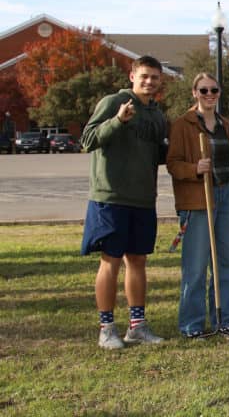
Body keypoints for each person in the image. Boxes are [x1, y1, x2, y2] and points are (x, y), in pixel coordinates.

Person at [80, 55, 169, 349]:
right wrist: (118, 120)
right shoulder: (113, 102)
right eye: (144, 76)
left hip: (143, 198)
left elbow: (158, 156)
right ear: (132, 76)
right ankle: (106, 327)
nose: (149, 82)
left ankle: (137, 326)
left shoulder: (157, 115)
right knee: (111, 261)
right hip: (110, 197)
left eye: (154, 77)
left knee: (138, 260)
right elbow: (88, 139)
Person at [166, 73, 229, 338]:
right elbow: (173, 164)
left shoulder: (224, 123)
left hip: (225, 196)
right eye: (204, 90)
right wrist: (194, 168)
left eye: (214, 90)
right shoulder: (183, 125)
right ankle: (192, 324)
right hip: (199, 198)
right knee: (197, 264)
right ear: (194, 93)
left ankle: (223, 319)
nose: (209, 94)